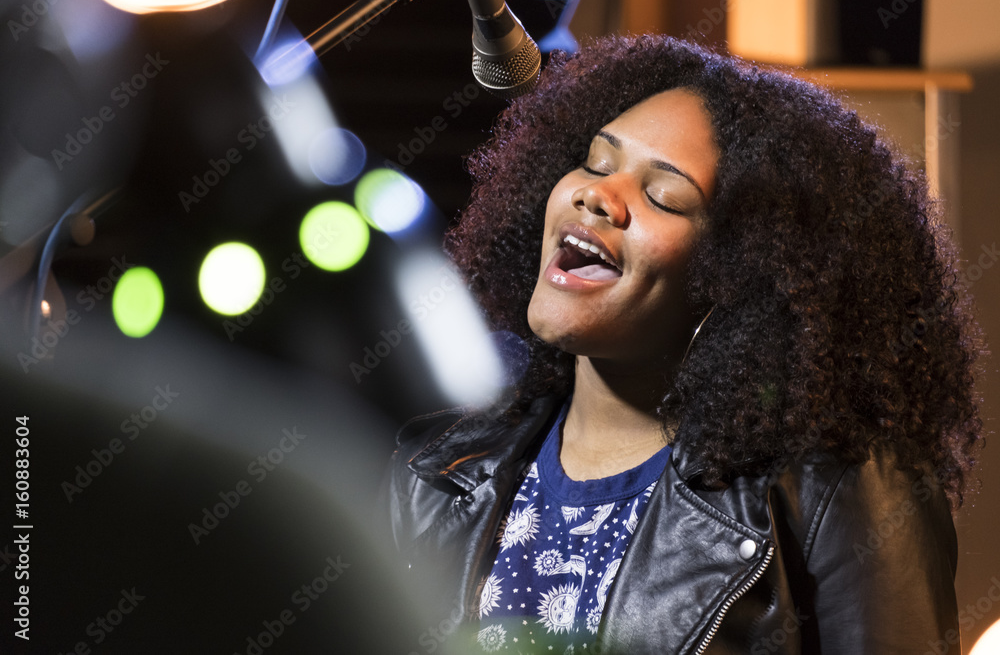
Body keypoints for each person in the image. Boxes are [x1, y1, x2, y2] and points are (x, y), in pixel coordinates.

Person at [385, 35, 984, 654]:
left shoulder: (843, 492)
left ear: (739, 274)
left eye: (662, 196)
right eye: (595, 164)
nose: (597, 196)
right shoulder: (437, 470)